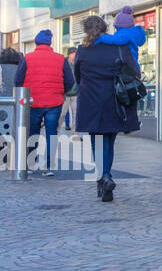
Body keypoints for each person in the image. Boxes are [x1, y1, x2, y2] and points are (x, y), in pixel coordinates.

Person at [74, 15, 142, 202]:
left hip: (91, 101)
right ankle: (105, 177)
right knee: (109, 141)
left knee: (97, 142)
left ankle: (103, 177)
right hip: (114, 100)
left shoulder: (83, 50)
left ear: (86, 30)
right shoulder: (119, 47)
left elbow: (77, 76)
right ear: (105, 27)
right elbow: (134, 71)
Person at [15, 30, 74, 176]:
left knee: (32, 132)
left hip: (32, 101)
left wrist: (23, 94)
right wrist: (61, 92)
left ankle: (30, 164)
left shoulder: (27, 58)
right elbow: (70, 80)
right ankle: (48, 166)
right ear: (50, 43)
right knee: (51, 133)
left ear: (36, 42)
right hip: (54, 102)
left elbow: (18, 79)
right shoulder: (60, 59)